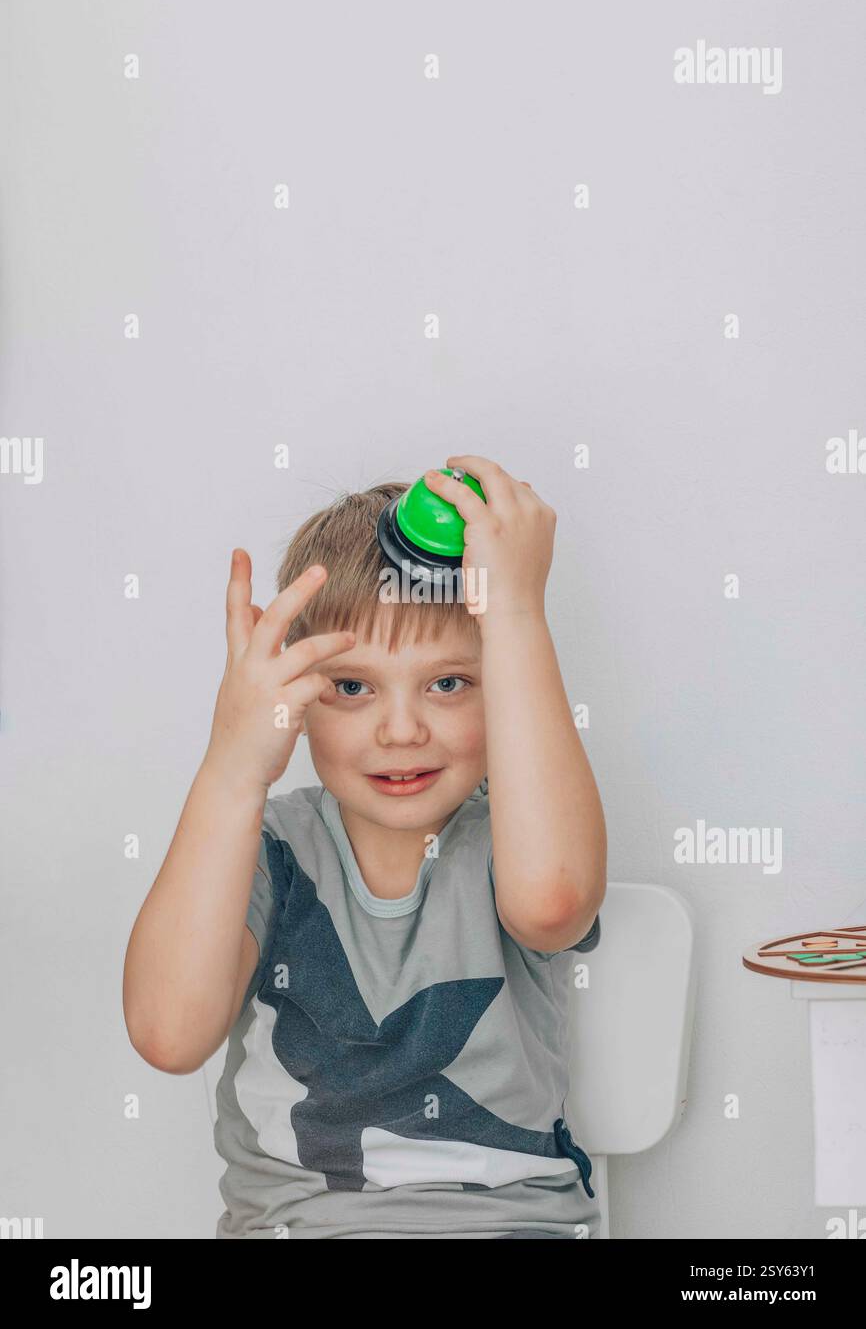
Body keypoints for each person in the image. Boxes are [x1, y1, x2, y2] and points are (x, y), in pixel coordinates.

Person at [123, 454, 607, 1238]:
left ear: (504, 686)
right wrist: (231, 767)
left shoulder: (520, 833)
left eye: (448, 683)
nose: (401, 729)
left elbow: (552, 904)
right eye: (351, 688)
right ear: (298, 699)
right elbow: (169, 1036)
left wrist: (514, 610)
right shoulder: (266, 846)